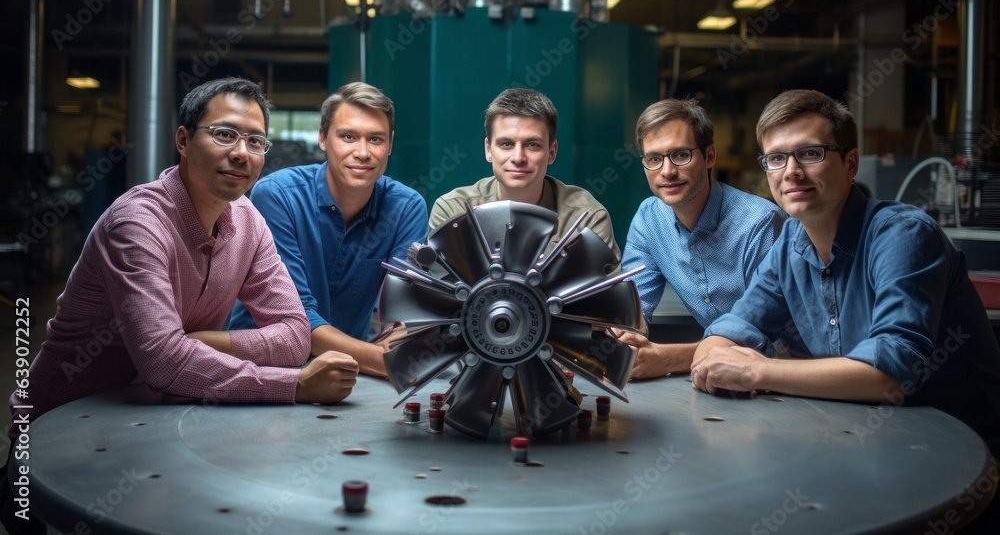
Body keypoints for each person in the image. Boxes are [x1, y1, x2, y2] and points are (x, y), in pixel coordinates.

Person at [2, 77, 358, 534]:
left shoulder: (248, 221)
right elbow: (163, 363)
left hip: (150, 425)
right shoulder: (137, 224)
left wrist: (192, 345)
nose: (241, 153)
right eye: (225, 134)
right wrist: (294, 386)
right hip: (57, 439)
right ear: (184, 140)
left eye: (255, 140)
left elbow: (292, 337)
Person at [692, 89, 1000, 459]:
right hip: (867, 444)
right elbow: (730, 330)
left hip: (961, 455)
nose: (791, 171)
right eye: (776, 158)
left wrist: (758, 371)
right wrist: (715, 356)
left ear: (851, 163)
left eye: (810, 153)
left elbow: (892, 373)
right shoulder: (791, 241)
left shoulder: (902, 235)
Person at [228, 82, 428, 378]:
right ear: (322, 137)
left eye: (375, 139)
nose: (362, 152)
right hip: (262, 367)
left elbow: (404, 316)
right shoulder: (277, 196)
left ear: (390, 144)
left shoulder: (407, 207)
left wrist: (394, 343)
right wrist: (390, 363)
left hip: (349, 371)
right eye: (348, 136)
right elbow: (294, 318)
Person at [617, 99, 788, 379]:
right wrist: (627, 333)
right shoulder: (649, 219)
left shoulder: (761, 223)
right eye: (654, 159)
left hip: (792, 376)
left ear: (709, 157)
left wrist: (669, 358)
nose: (667, 171)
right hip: (727, 378)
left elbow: (768, 341)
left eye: (681, 155)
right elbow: (634, 302)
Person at [429, 87, 619, 258]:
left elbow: (606, 294)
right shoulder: (454, 211)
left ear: (551, 152)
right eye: (506, 144)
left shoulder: (586, 217)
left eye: (532, 145)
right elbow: (438, 291)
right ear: (488, 150)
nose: (518, 157)